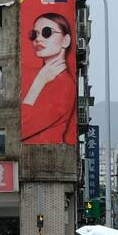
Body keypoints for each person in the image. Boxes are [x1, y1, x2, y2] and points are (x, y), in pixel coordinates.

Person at [21, 12, 78, 144]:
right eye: (34, 34)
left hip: (45, 156)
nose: (38, 39)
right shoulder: (31, 75)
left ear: (66, 40)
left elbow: (19, 128)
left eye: (47, 32)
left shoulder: (64, 85)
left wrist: (38, 83)